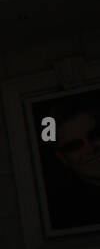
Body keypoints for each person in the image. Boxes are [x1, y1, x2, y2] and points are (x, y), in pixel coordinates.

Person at [38, 91, 100, 230]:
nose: (90, 148)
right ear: (62, 158)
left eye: (95, 135)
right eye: (74, 145)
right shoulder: (66, 215)